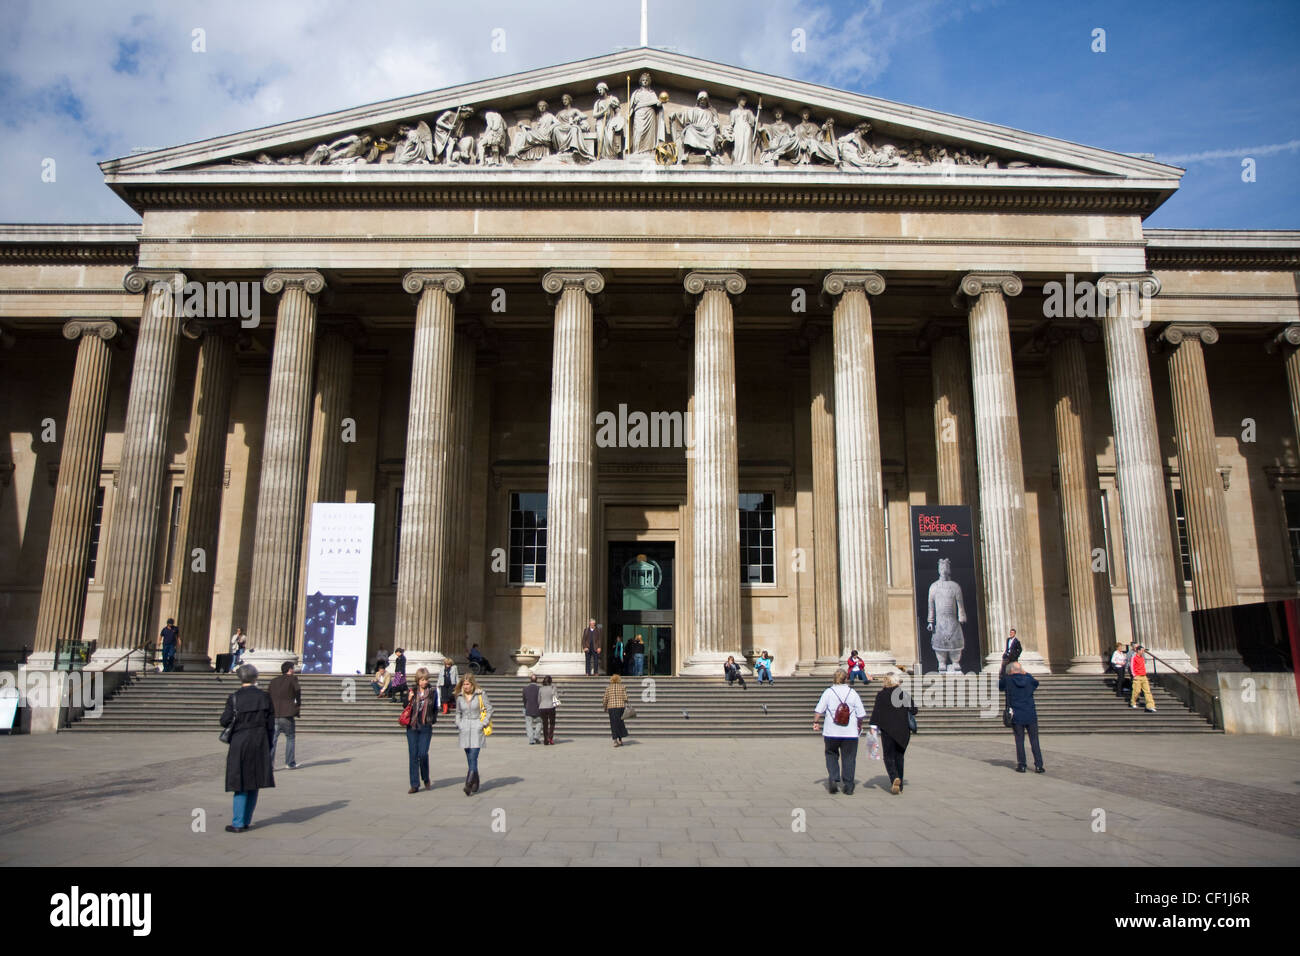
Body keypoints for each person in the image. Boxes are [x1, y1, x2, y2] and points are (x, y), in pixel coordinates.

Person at [219, 663, 275, 832]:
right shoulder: (265, 697)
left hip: (240, 741)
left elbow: (224, 721)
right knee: (254, 780)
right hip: (259, 740)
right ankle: (246, 820)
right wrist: (269, 743)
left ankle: (237, 822)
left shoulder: (234, 697)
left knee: (239, 782)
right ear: (255, 677)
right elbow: (271, 724)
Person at [813, 669, 867, 794]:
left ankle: (833, 777)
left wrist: (816, 722)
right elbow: (861, 714)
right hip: (850, 732)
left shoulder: (828, 692)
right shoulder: (853, 693)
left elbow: (819, 710)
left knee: (831, 754)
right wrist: (859, 725)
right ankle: (848, 785)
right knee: (849, 757)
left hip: (831, 731)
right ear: (846, 678)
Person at [870, 672, 917, 794]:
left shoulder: (881, 695)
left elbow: (876, 713)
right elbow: (914, 710)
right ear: (897, 682)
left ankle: (894, 777)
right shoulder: (903, 694)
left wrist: (873, 729)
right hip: (903, 731)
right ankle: (899, 784)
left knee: (888, 757)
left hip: (888, 730)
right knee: (899, 757)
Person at [999, 661, 1044, 773]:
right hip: (1030, 713)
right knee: (1034, 740)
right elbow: (1036, 683)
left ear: (1011, 671)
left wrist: (1005, 673)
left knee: (1019, 740)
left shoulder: (1008, 680)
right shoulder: (1029, 680)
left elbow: (1000, 686)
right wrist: (1026, 673)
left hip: (1016, 714)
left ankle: (1022, 765)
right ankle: (1039, 765)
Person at [455, 674, 493, 795]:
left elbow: (489, 709)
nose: (465, 687)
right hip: (465, 728)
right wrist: (459, 723)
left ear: (472, 684)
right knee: (469, 758)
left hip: (477, 727)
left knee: (473, 756)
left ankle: (468, 783)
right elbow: (457, 712)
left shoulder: (481, 694)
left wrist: (483, 723)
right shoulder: (460, 697)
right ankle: (476, 781)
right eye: (464, 684)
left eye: (467, 684)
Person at [405, 668, 438, 793]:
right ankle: (414, 784)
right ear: (418, 680)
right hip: (412, 726)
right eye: (422, 679)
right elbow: (405, 706)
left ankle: (425, 777)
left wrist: (432, 719)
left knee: (423, 753)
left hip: (425, 726)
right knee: (413, 755)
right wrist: (409, 698)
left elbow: (435, 708)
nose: (424, 682)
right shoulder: (412, 691)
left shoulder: (433, 692)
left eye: (426, 679)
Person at [267, 661, 301, 770]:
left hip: (274, 714)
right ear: (290, 669)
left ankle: (269, 764)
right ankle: (290, 762)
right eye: (293, 668)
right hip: (287, 714)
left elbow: (268, 695)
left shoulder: (274, 681)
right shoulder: (293, 679)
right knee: (290, 737)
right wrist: (297, 705)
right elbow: (298, 691)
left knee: (273, 739)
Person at [602, 674, 629, 747]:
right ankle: (620, 740)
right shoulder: (622, 687)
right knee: (620, 723)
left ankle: (615, 741)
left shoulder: (608, 688)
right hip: (620, 707)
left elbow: (605, 699)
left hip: (612, 707)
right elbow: (626, 698)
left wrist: (605, 707)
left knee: (613, 724)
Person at [1129, 644, 1157, 713]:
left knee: (1147, 691)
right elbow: (1132, 666)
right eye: (1142, 650)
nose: (1142, 652)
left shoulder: (1142, 658)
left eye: (1143, 651)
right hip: (1137, 676)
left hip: (1143, 676)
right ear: (1138, 651)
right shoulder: (1134, 657)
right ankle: (1133, 702)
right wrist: (1134, 675)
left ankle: (1150, 705)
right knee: (1137, 691)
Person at [522, 673, 543, 744]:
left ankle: (531, 739)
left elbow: (524, 699)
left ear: (530, 680)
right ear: (536, 680)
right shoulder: (540, 689)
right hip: (538, 709)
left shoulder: (525, 689)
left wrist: (525, 706)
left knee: (529, 725)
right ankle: (536, 736)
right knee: (539, 722)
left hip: (528, 708)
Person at [539, 674, 558, 745]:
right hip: (551, 707)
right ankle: (550, 738)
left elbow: (539, 699)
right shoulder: (553, 687)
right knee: (552, 723)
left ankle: (545, 739)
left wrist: (540, 705)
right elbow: (556, 696)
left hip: (542, 707)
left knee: (545, 724)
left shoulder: (541, 688)